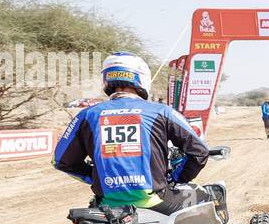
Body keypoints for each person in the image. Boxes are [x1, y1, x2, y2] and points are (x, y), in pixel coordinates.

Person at [54, 52, 211, 214]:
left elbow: (60, 161)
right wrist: (176, 178)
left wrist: (96, 176)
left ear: (107, 79)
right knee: (210, 194)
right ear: (142, 78)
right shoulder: (162, 111)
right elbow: (200, 151)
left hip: (106, 207)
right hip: (156, 202)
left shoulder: (86, 115)